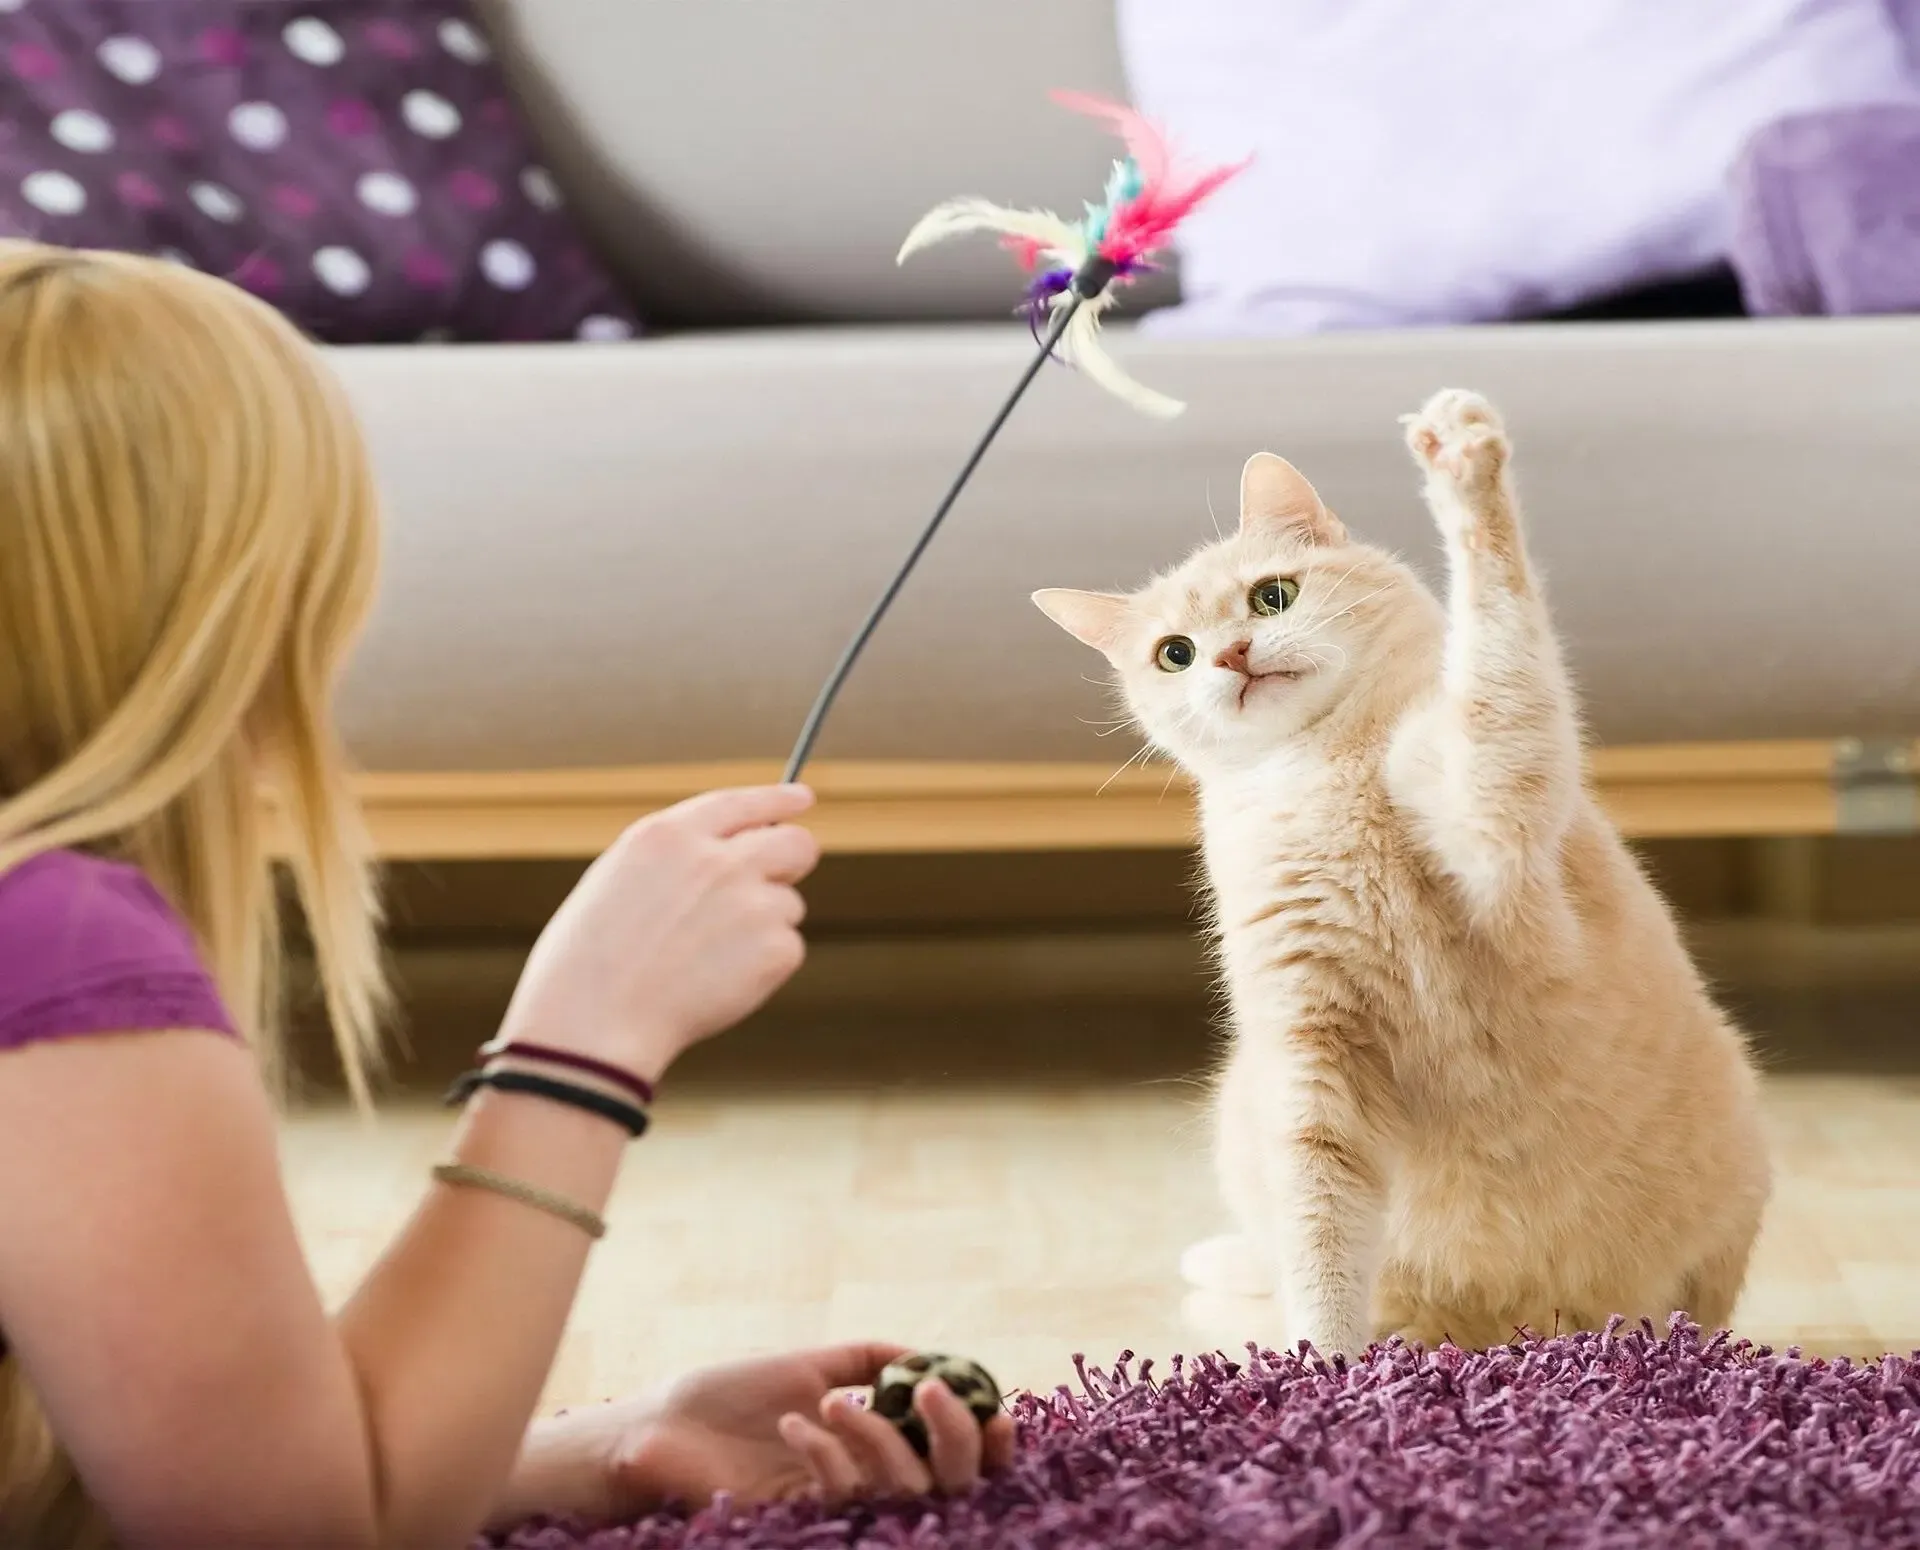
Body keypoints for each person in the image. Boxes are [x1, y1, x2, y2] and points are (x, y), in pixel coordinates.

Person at [0, 241, 1014, 1550]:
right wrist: (579, 1049)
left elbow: (154, 1469)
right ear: (224, 608)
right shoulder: (51, 947)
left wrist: (608, 1451)